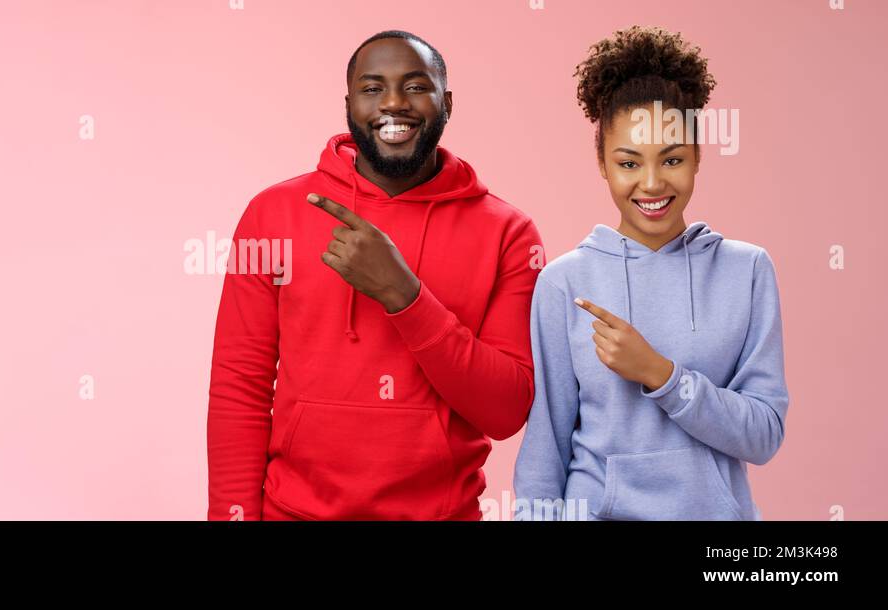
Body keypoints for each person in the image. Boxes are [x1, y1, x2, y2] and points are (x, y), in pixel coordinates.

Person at [207, 30, 543, 520]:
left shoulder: (509, 232)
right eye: (372, 88)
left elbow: (506, 411)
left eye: (415, 87)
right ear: (348, 104)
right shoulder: (272, 214)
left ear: (446, 102)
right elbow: (240, 387)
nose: (393, 103)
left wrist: (405, 296)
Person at [513, 26, 789, 521]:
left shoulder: (746, 270)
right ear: (602, 163)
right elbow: (544, 450)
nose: (652, 183)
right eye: (628, 162)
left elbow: (764, 433)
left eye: (673, 159)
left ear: (698, 157)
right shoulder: (564, 282)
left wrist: (660, 375)